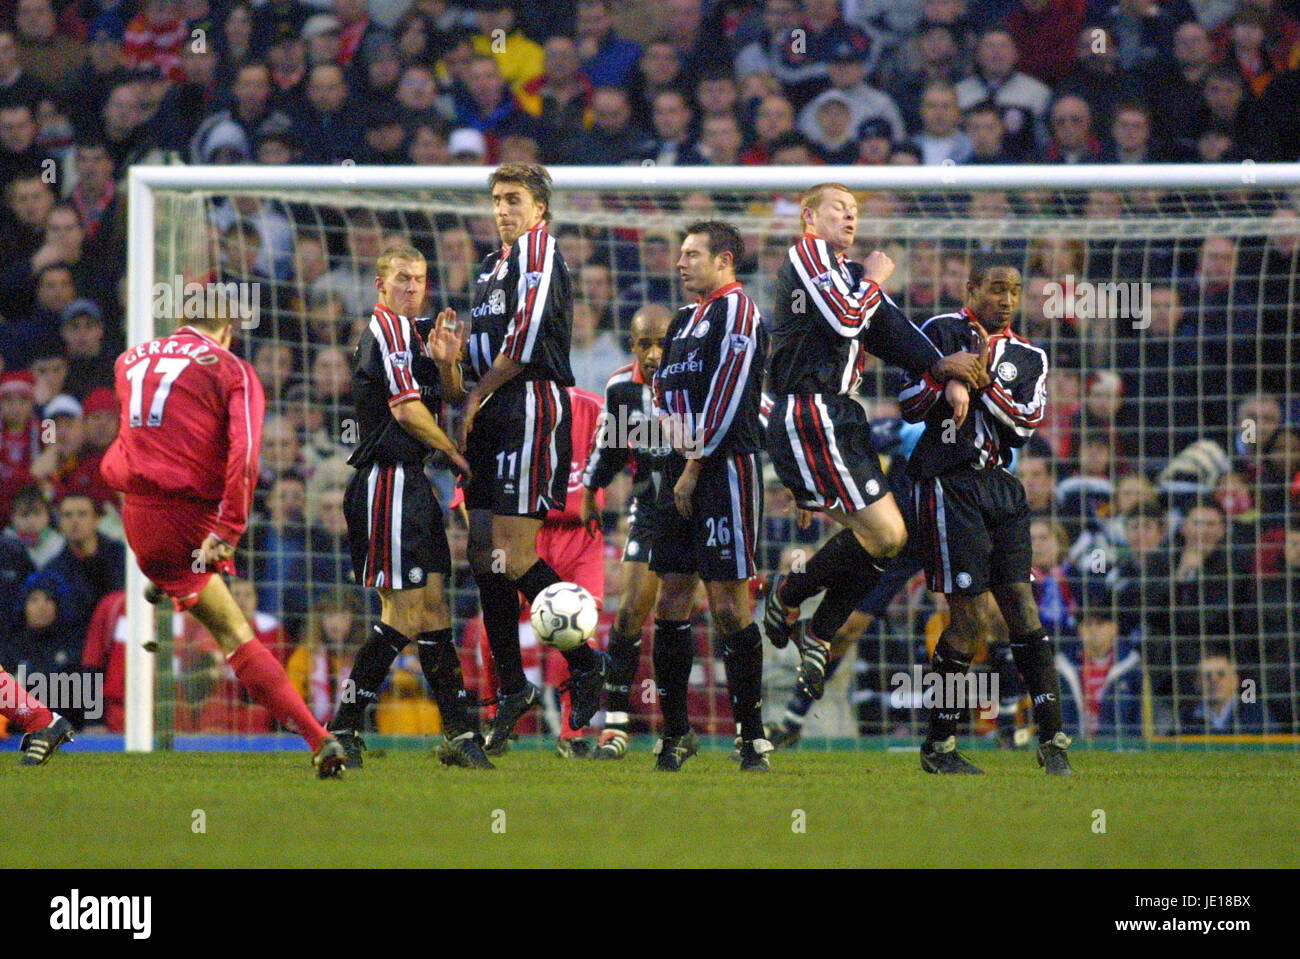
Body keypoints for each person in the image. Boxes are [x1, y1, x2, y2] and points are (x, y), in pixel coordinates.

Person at [98, 298, 347, 777]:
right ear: (228, 330)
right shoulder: (232, 369)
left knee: (180, 576)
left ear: (180, 322)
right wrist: (229, 529)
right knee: (236, 635)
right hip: (189, 519)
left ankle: (166, 583)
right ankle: (320, 739)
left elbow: (129, 439)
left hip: (138, 518)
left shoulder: (129, 360)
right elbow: (246, 455)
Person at [763, 182, 984, 706]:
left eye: (855, 210)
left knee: (888, 538)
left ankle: (808, 618)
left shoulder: (846, 275)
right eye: (839, 208)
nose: (850, 217)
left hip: (840, 414)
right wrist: (875, 277)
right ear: (809, 216)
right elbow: (846, 319)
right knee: (887, 533)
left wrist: (944, 370)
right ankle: (802, 609)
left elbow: (892, 331)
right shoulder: (808, 256)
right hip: (811, 411)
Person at [453, 162, 608, 755]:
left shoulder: (540, 251)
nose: (502, 209)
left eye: (514, 199)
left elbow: (524, 338)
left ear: (540, 208)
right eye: (497, 199)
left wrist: (478, 393)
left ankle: (585, 665)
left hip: (529, 404)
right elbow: (483, 346)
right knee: (483, 555)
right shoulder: (492, 266)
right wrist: (451, 365)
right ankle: (513, 686)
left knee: (515, 553)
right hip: (493, 406)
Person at [899, 255, 1074, 775]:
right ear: (971, 288)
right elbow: (909, 401)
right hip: (948, 481)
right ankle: (940, 745)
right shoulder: (939, 331)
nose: (1006, 300)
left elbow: (1024, 425)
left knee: (1023, 608)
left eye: (1014, 291)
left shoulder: (1029, 356)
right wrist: (945, 374)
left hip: (1000, 484)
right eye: (996, 289)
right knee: (969, 615)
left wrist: (979, 382)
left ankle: (1053, 739)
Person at [325, 244, 491, 770]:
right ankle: (343, 725)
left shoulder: (418, 334)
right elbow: (406, 411)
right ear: (380, 284)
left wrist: (446, 365)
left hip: (413, 483)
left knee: (435, 608)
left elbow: (449, 394)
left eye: (418, 278)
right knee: (403, 613)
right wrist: (453, 453)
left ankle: (460, 734)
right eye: (401, 278)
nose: (411, 287)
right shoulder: (386, 331)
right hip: (387, 482)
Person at [649, 220, 770, 772]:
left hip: (724, 469)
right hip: (681, 465)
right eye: (680, 253)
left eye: (692, 254)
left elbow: (729, 393)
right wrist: (677, 443)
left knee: (727, 604)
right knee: (671, 598)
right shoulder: (682, 319)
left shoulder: (739, 312)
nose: (681, 262)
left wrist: (694, 464)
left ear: (724, 261)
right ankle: (675, 733)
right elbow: (663, 388)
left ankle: (751, 737)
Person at [580, 304, 673, 759]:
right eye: (644, 345)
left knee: (722, 615)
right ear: (632, 345)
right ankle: (615, 727)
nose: (654, 354)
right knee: (631, 610)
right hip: (651, 510)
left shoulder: (700, 382)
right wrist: (589, 490)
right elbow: (611, 447)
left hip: (702, 509)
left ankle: (743, 731)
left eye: (662, 344)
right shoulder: (621, 388)